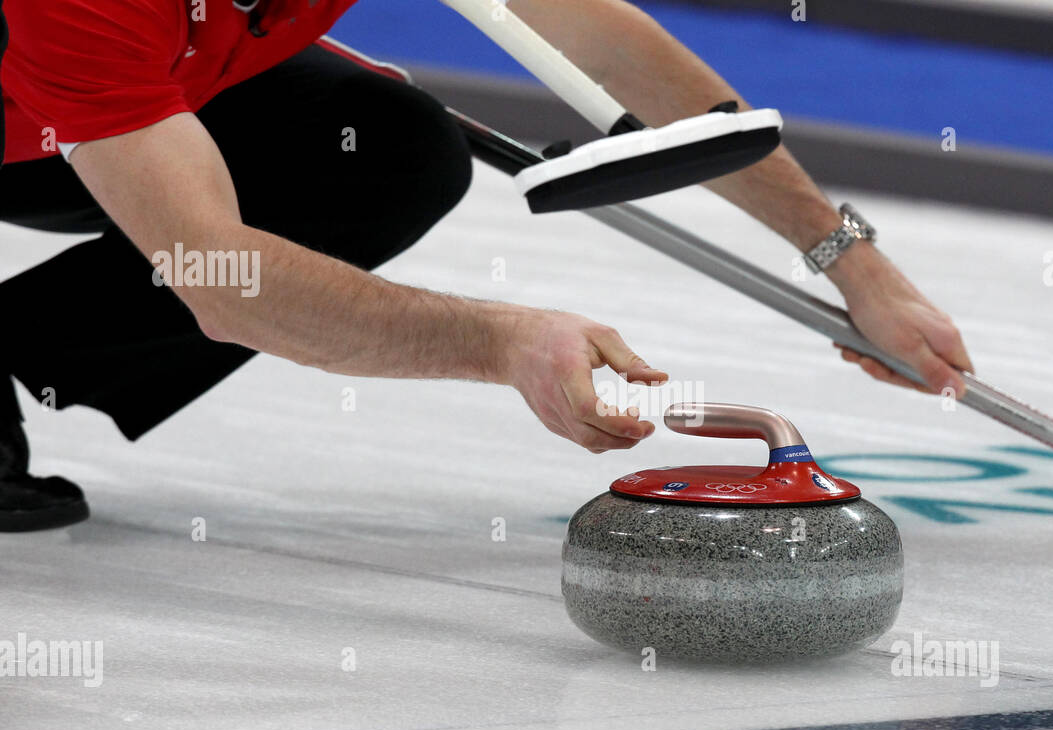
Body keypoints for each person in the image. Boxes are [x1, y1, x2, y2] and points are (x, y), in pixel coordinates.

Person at [0, 0, 972, 532]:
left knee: (389, 148)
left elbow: (606, 45)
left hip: (118, 89)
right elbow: (215, 276)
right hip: (45, 90)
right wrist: (500, 341)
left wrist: (852, 263)